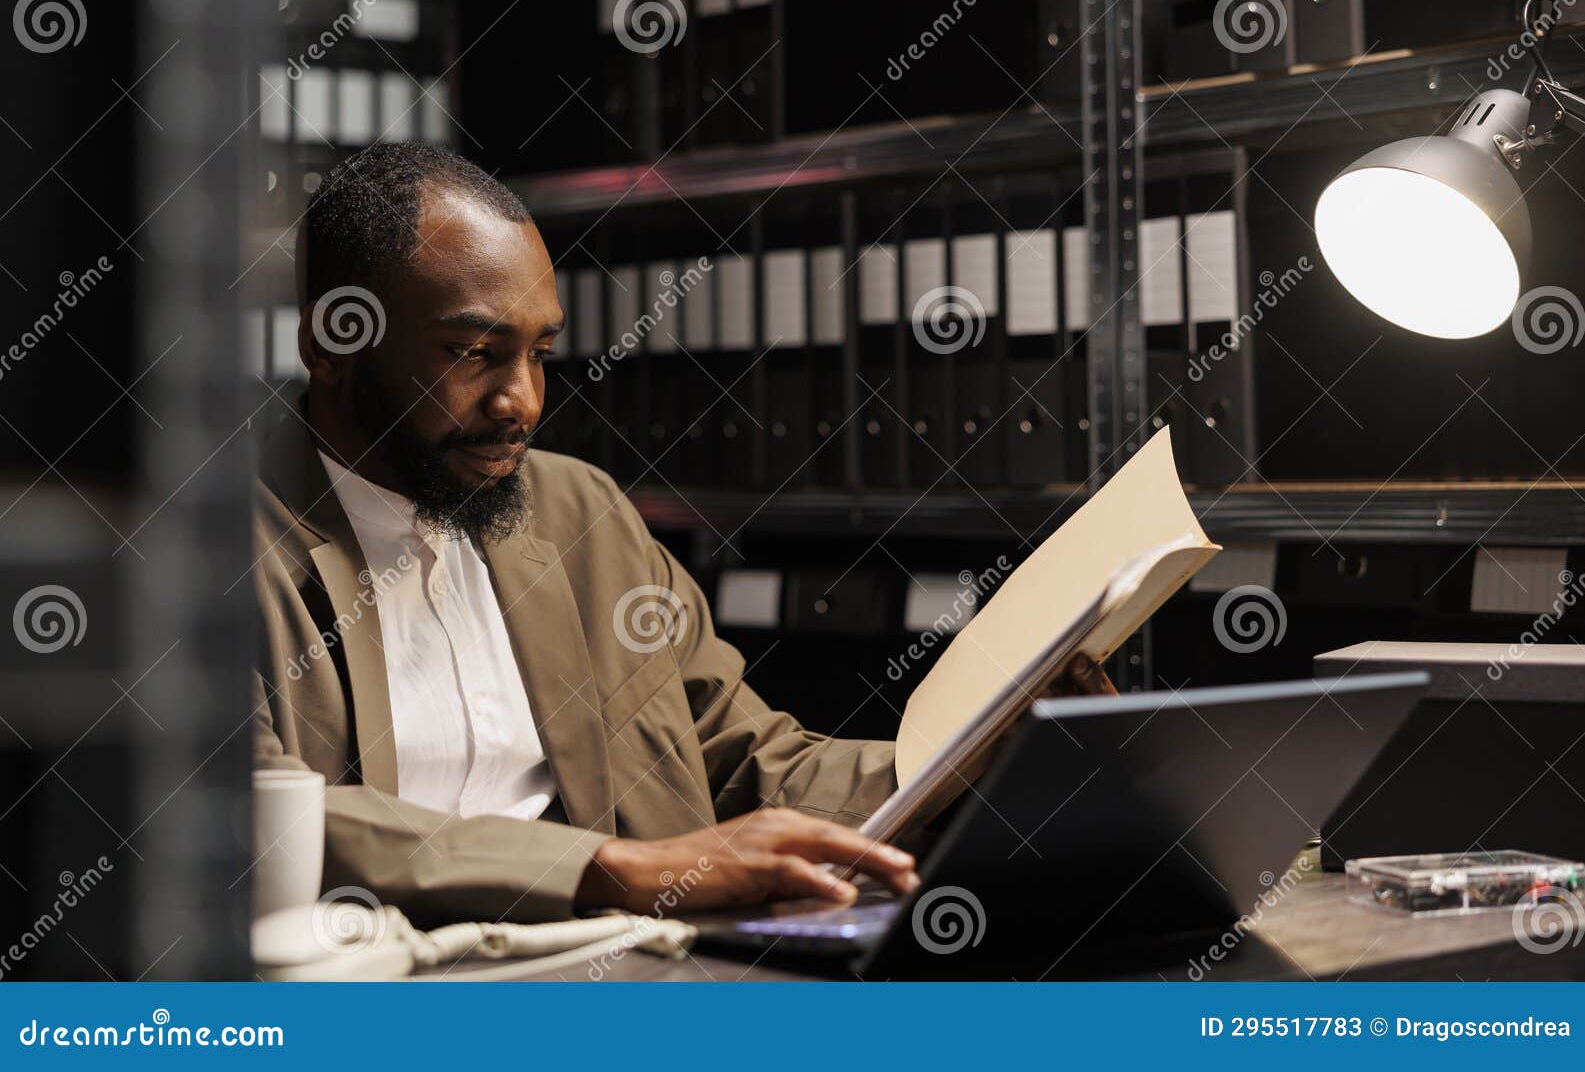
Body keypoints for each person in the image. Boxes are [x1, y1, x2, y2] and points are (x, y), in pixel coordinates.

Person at [252, 142, 1109, 928]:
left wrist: (975, 755)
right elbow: (249, 813)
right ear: (335, 343)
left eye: (540, 353)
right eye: (473, 352)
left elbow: (745, 762)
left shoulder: (579, 514)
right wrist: (614, 867)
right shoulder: (207, 551)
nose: (521, 402)